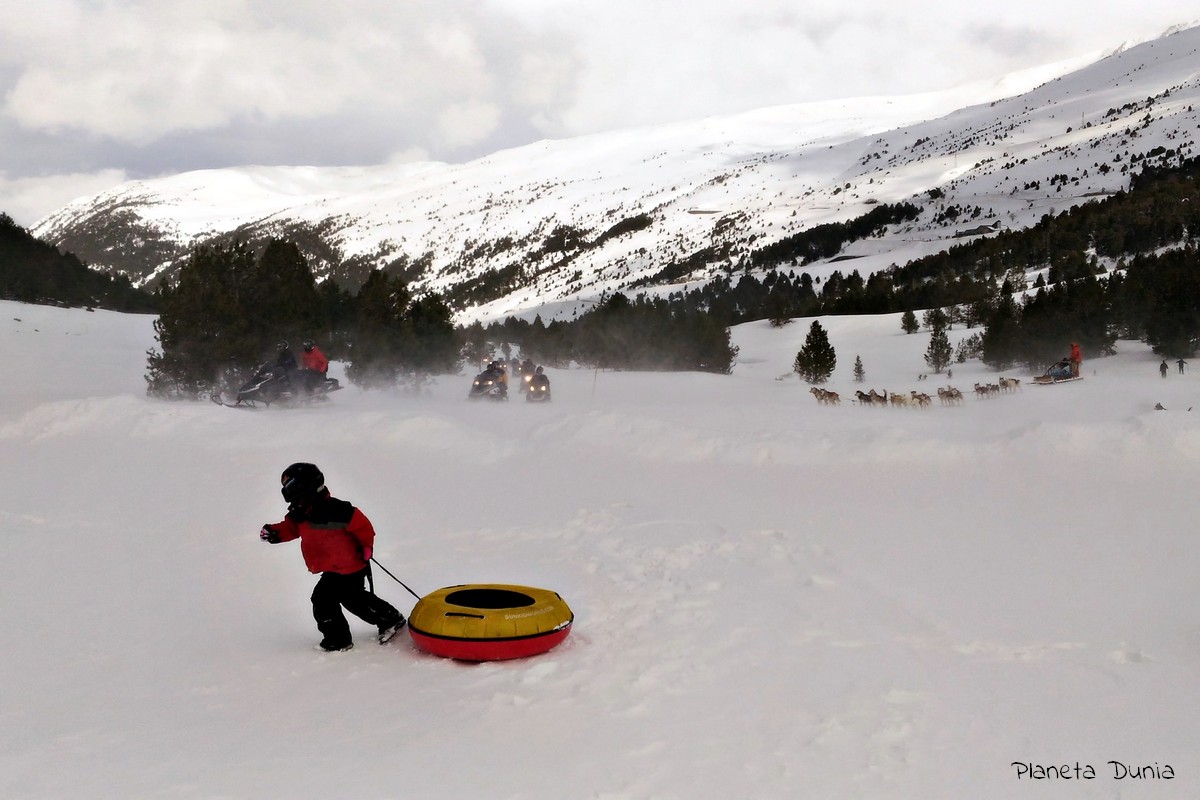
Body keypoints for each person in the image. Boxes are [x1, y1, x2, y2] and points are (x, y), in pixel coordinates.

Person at [260, 463, 405, 652]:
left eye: (292, 486)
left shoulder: (337, 509)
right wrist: (275, 533)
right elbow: (290, 529)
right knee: (351, 599)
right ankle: (388, 619)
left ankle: (341, 638)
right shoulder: (300, 514)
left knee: (326, 600)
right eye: (286, 488)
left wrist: (366, 547)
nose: (289, 493)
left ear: (307, 485)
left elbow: (363, 527)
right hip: (332, 568)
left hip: (350, 565)